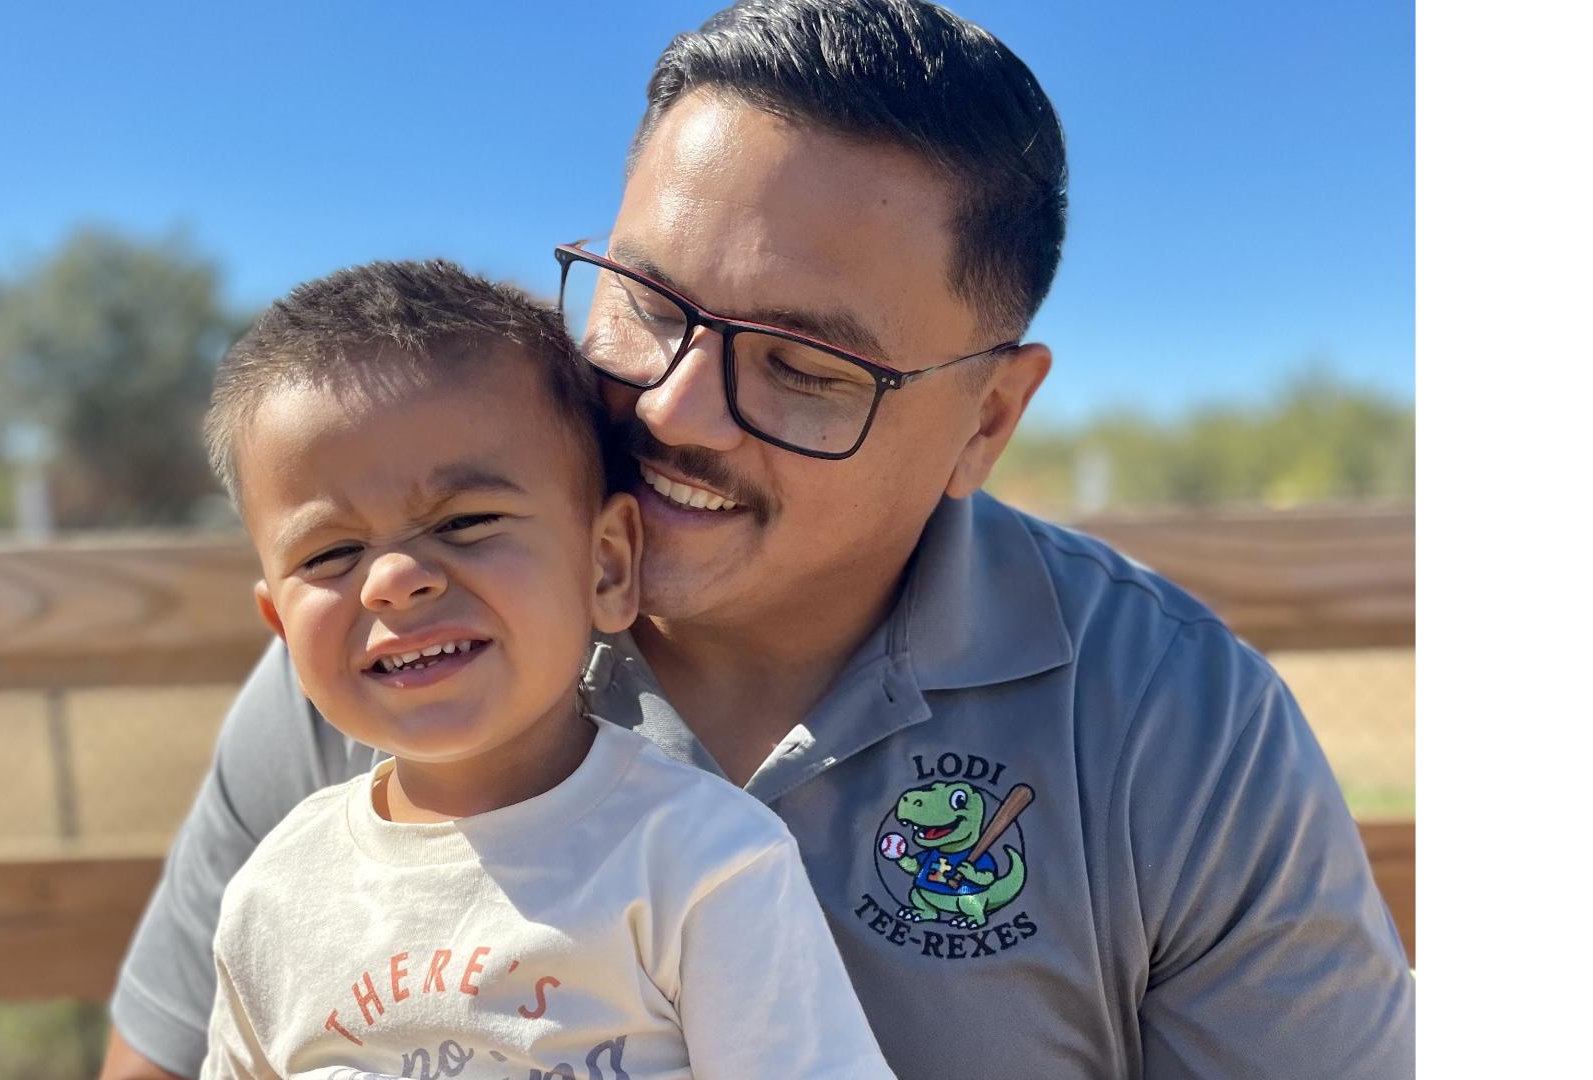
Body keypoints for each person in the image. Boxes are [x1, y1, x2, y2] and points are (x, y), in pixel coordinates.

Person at [104, 2, 1415, 1077]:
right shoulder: (398, 658)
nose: (671, 407)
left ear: (988, 418)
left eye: (802, 366)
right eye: (644, 299)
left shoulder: (1168, 721)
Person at [193, 259, 896, 1079]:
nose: (392, 580)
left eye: (467, 520)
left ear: (605, 566)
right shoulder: (276, 897)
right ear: (281, 627)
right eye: (333, 552)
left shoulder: (701, 863)